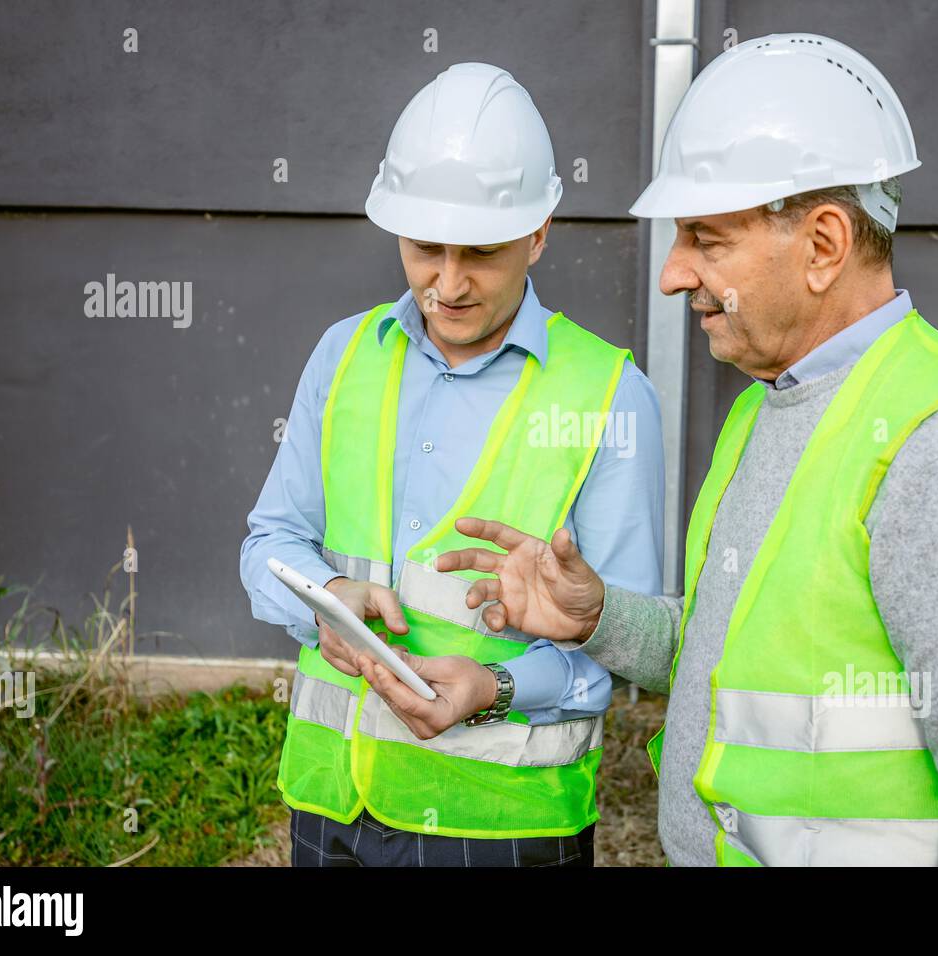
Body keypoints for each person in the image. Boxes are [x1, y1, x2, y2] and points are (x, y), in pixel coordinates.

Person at [365, 34, 938, 867]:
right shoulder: (767, 407)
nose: (673, 275)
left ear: (824, 246)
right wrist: (598, 618)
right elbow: (735, 654)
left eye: (705, 240)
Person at [238, 62, 664, 867]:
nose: (449, 281)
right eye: (425, 248)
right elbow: (267, 545)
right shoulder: (344, 356)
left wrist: (495, 690)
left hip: (501, 828)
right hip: (330, 805)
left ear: (539, 233)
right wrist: (328, 597)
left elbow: (632, 648)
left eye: (482, 252)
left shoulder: (610, 395)